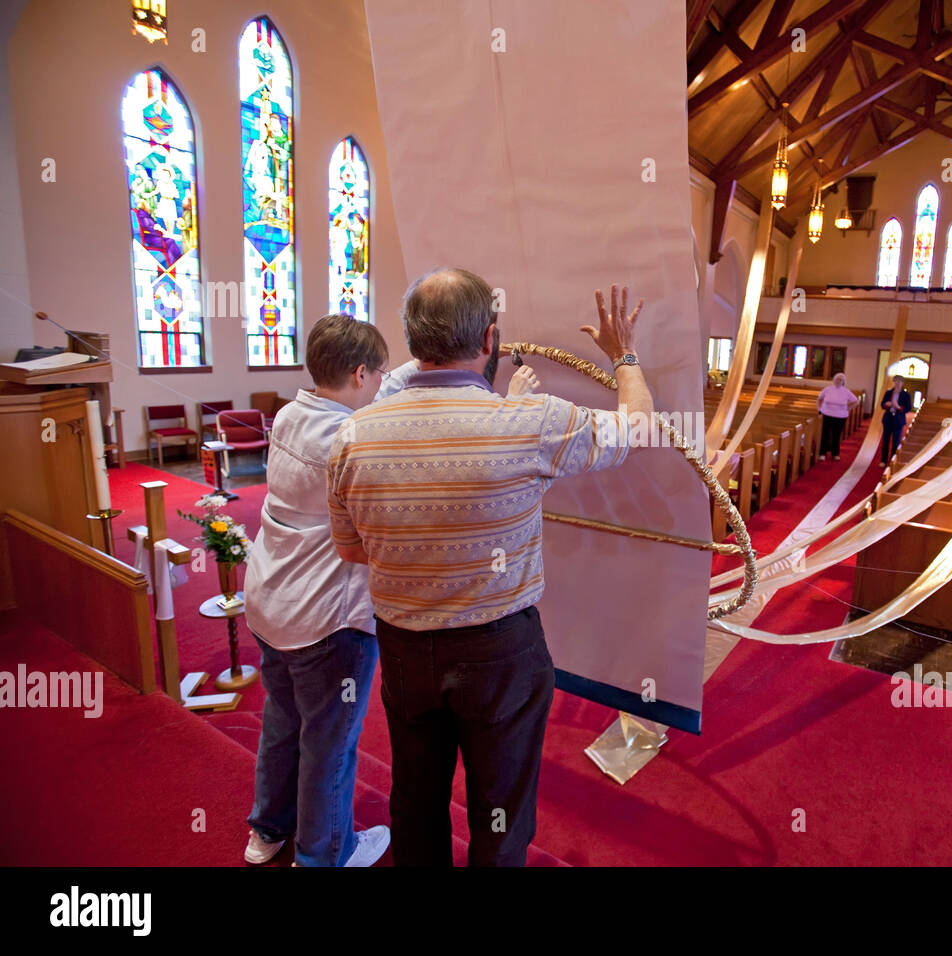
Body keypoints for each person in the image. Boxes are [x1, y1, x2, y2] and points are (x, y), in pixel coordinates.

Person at [327, 269, 649, 866]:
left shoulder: (352, 435)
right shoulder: (529, 422)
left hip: (403, 645)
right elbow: (637, 429)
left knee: (416, 799)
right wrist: (624, 355)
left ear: (412, 341)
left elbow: (351, 550)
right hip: (499, 650)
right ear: (490, 338)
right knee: (500, 811)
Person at [242, 314, 393, 868]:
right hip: (324, 620)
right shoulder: (351, 438)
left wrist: (400, 378)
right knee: (329, 742)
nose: (382, 383)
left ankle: (267, 831)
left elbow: (376, 396)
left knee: (283, 721)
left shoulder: (289, 413)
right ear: (358, 374)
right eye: (377, 375)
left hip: (270, 602)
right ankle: (325, 853)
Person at [817, 372, 857, 461]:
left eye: (840, 380)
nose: (838, 381)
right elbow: (819, 399)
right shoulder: (827, 389)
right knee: (825, 435)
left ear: (843, 382)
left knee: (836, 435)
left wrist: (848, 408)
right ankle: (822, 453)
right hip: (827, 415)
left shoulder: (846, 391)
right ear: (834, 380)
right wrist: (819, 410)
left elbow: (855, 401)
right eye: (836, 379)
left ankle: (835, 454)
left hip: (840, 417)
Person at [880, 374, 913, 467]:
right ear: (894, 382)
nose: (897, 383)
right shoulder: (889, 393)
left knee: (896, 441)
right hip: (888, 418)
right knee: (885, 440)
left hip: (898, 419)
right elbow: (882, 404)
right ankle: (883, 460)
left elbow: (908, 408)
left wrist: (898, 407)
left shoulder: (906, 395)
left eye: (899, 381)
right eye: (896, 381)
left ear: (902, 383)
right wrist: (887, 404)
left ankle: (891, 461)